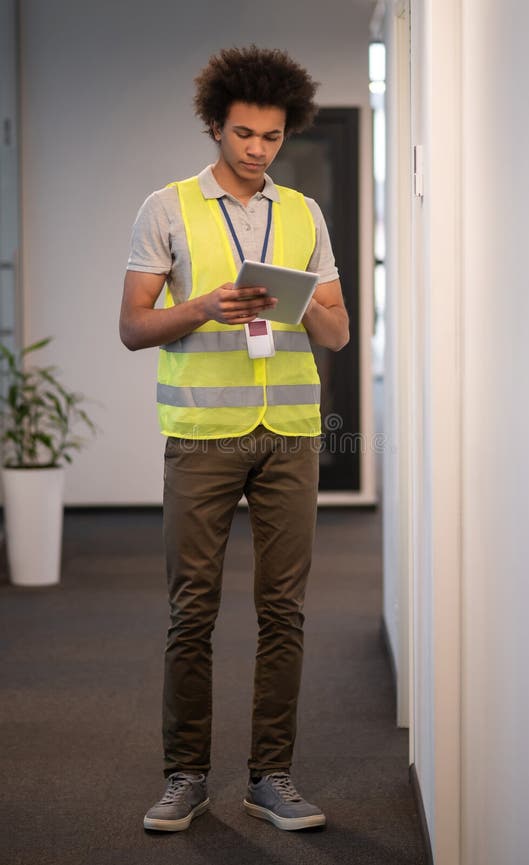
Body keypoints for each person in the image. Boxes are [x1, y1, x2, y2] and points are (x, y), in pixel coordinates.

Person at [119, 44, 349, 834]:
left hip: (288, 433)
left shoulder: (303, 215)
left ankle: (271, 777)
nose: (258, 150)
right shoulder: (168, 207)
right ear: (215, 126)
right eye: (244, 134)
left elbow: (341, 332)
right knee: (193, 611)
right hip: (202, 436)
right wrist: (203, 307)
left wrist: (302, 306)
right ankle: (185, 775)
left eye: (273, 137)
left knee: (284, 611)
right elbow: (133, 325)